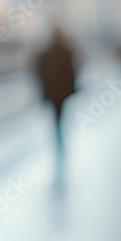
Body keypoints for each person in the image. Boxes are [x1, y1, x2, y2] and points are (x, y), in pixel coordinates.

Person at [37, 29, 77, 187]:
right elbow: (72, 72)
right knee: (60, 115)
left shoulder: (45, 53)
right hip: (62, 92)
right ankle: (60, 139)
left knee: (56, 117)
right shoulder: (66, 52)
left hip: (52, 92)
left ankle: (58, 137)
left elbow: (39, 73)